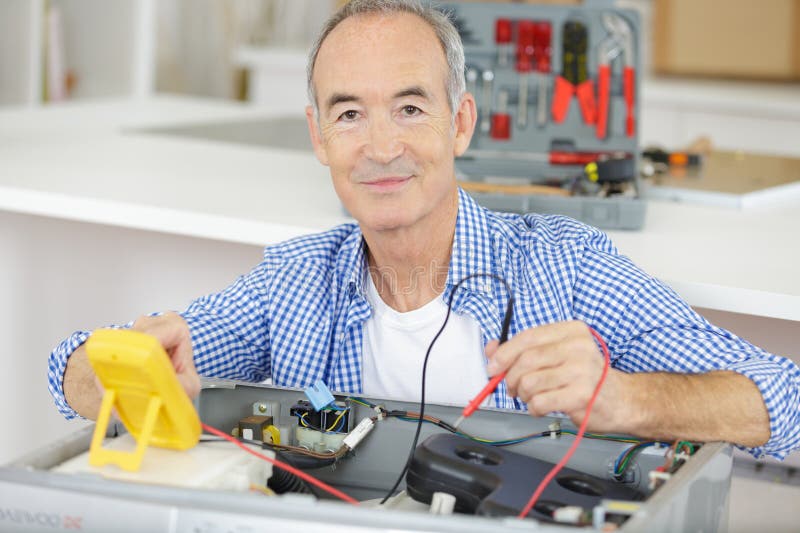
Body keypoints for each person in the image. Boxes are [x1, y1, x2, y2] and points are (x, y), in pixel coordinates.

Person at [49, 0, 798, 460]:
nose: (380, 147)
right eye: (350, 114)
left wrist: (628, 399)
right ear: (318, 137)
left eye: (409, 108)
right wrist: (130, 368)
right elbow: (67, 372)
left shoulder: (564, 270)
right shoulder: (293, 281)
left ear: (460, 121)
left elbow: (787, 401)